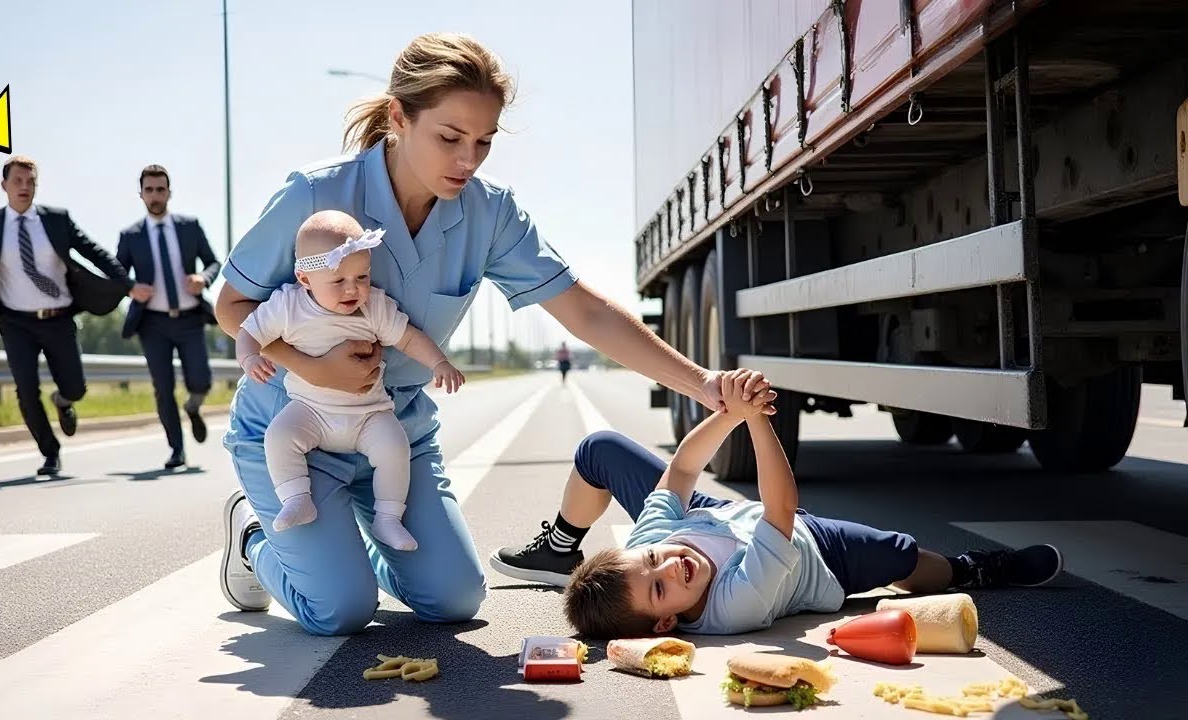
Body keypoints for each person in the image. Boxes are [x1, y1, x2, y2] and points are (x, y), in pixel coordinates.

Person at [212, 32, 766, 633]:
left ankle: (341, 553)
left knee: (454, 600)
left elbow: (585, 312)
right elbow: (232, 305)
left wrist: (701, 383)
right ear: (399, 117)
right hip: (294, 426)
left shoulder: (490, 212)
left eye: (483, 141)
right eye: (450, 138)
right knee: (339, 610)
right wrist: (310, 366)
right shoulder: (317, 195)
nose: (468, 161)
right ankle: (255, 540)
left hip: (390, 431)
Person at [492, 369, 1064, 638]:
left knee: (601, 448)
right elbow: (781, 509)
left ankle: (560, 549)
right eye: (660, 587)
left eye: (652, 561)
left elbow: (683, 470)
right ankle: (972, 570)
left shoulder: (652, 547)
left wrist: (728, 413)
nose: (668, 564)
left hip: (720, 518)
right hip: (811, 551)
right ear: (667, 621)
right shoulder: (732, 606)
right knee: (902, 556)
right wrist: (758, 420)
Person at [235, 210, 466, 550]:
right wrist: (249, 358)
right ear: (305, 279)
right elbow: (249, 331)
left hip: (370, 413)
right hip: (311, 410)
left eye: (362, 277)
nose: (352, 289)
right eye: (338, 281)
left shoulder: (374, 306)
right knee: (279, 436)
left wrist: (439, 362)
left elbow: (408, 338)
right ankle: (296, 497)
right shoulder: (288, 306)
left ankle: (388, 518)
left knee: (394, 448)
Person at [0, 155, 132, 476]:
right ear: (4, 185)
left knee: (76, 388)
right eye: (18, 181)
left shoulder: (56, 220)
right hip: (15, 321)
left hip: (58, 317)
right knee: (26, 390)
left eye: (31, 182)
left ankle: (64, 401)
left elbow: (93, 251)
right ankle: (50, 452)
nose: (24, 187)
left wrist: (127, 284)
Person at [117, 165, 221, 470]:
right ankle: (177, 449)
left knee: (200, 380)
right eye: (149, 190)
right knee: (163, 388)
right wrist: (131, 288)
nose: (155, 195)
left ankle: (193, 406)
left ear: (169, 192)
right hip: (152, 323)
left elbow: (213, 262)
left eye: (160, 189)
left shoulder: (189, 227)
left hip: (189, 318)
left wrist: (203, 278)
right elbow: (118, 274)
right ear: (141, 194)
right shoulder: (130, 236)